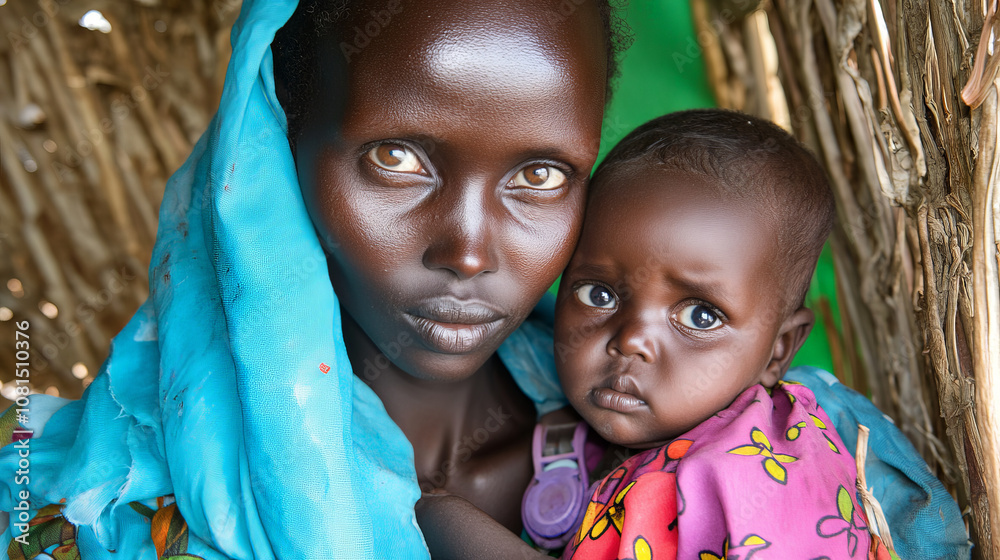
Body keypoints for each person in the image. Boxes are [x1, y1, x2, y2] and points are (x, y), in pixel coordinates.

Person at [0, 2, 968, 559]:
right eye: (398, 161)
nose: (469, 250)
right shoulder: (124, 496)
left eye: (540, 175)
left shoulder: (766, 448)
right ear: (276, 151)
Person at [416, 111, 968, 560]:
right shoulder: (577, 427)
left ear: (777, 351)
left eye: (700, 317)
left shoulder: (767, 467)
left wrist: (439, 520)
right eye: (598, 294)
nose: (630, 340)